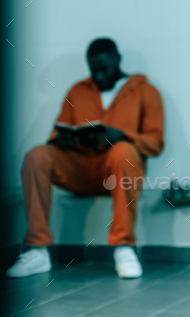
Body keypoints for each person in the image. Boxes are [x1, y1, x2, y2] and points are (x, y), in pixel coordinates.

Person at [6, 38, 164, 280]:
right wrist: (64, 140)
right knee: (35, 156)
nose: (99, 76)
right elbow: (57, 134)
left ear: (117, 60)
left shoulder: (145, 91)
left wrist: (121, 136)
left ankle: (123, 248)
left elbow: (156, 143)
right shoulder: (77, 91)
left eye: (104, 69)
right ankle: (37, 250)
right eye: (93, 70)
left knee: (122, 150)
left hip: (119, 173)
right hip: (80, 170)